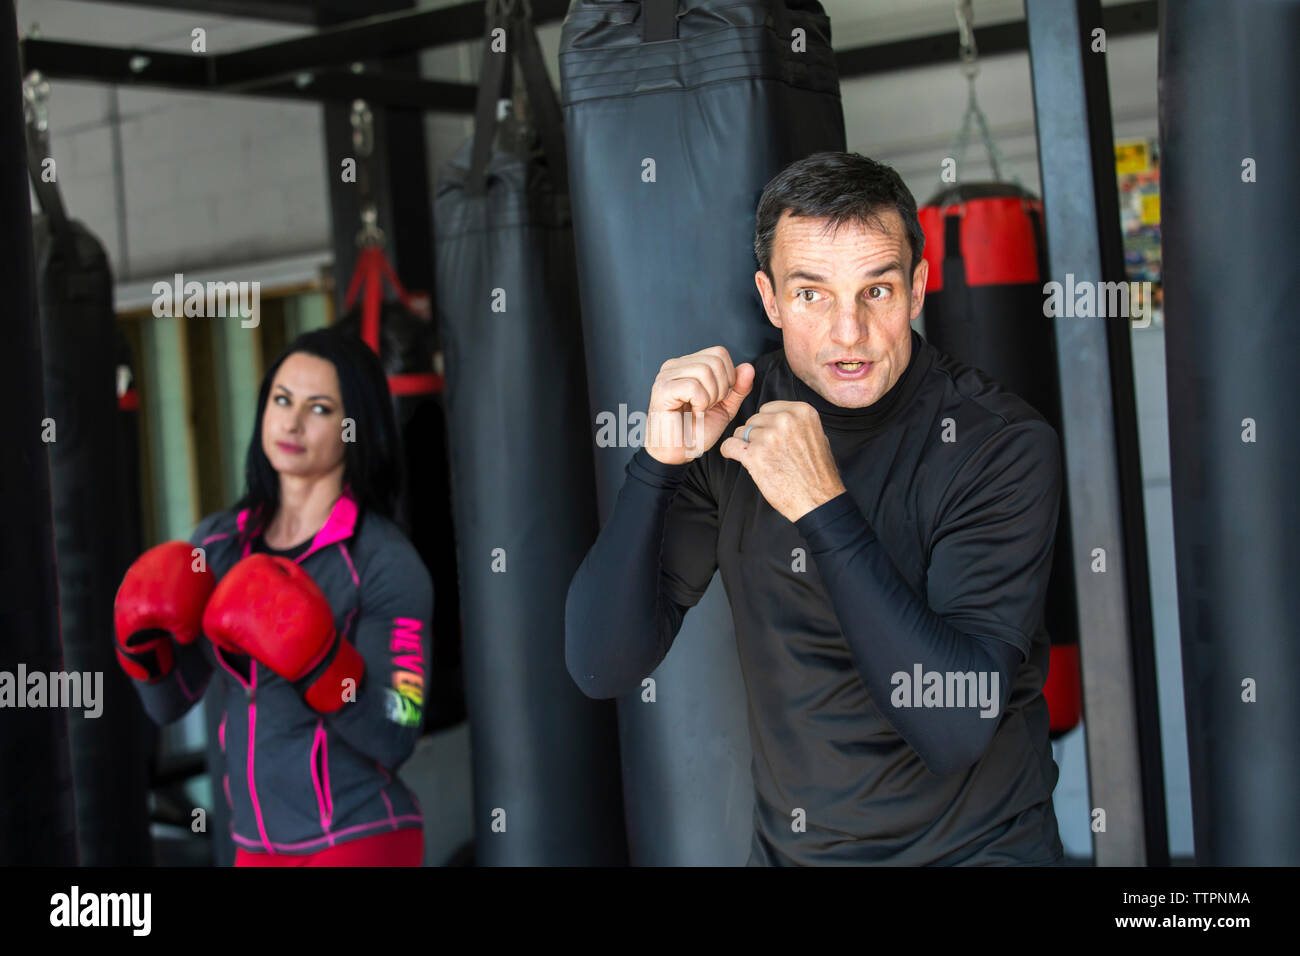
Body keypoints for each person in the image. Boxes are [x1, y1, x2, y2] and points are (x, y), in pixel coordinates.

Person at [565, 151, 1067, 865]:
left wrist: (822, 504)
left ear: (919, 289)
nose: (848, 333)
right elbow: (598, 665)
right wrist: (657, 465)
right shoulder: (734, 426)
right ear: (770, 300)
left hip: (977, 850)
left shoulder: (998, 445)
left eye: (876, 291)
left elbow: (953, 725)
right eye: (812, 295)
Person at [114, 327, 433, 866]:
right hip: (255, 846)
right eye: (282, 400)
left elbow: (397, 729)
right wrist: (141, 649)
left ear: (355, 427)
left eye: (320, 409)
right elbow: (170, 705)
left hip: (358, 838)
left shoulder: (384, 561)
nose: (291, 421)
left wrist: (321, 664)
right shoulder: (215, 545)